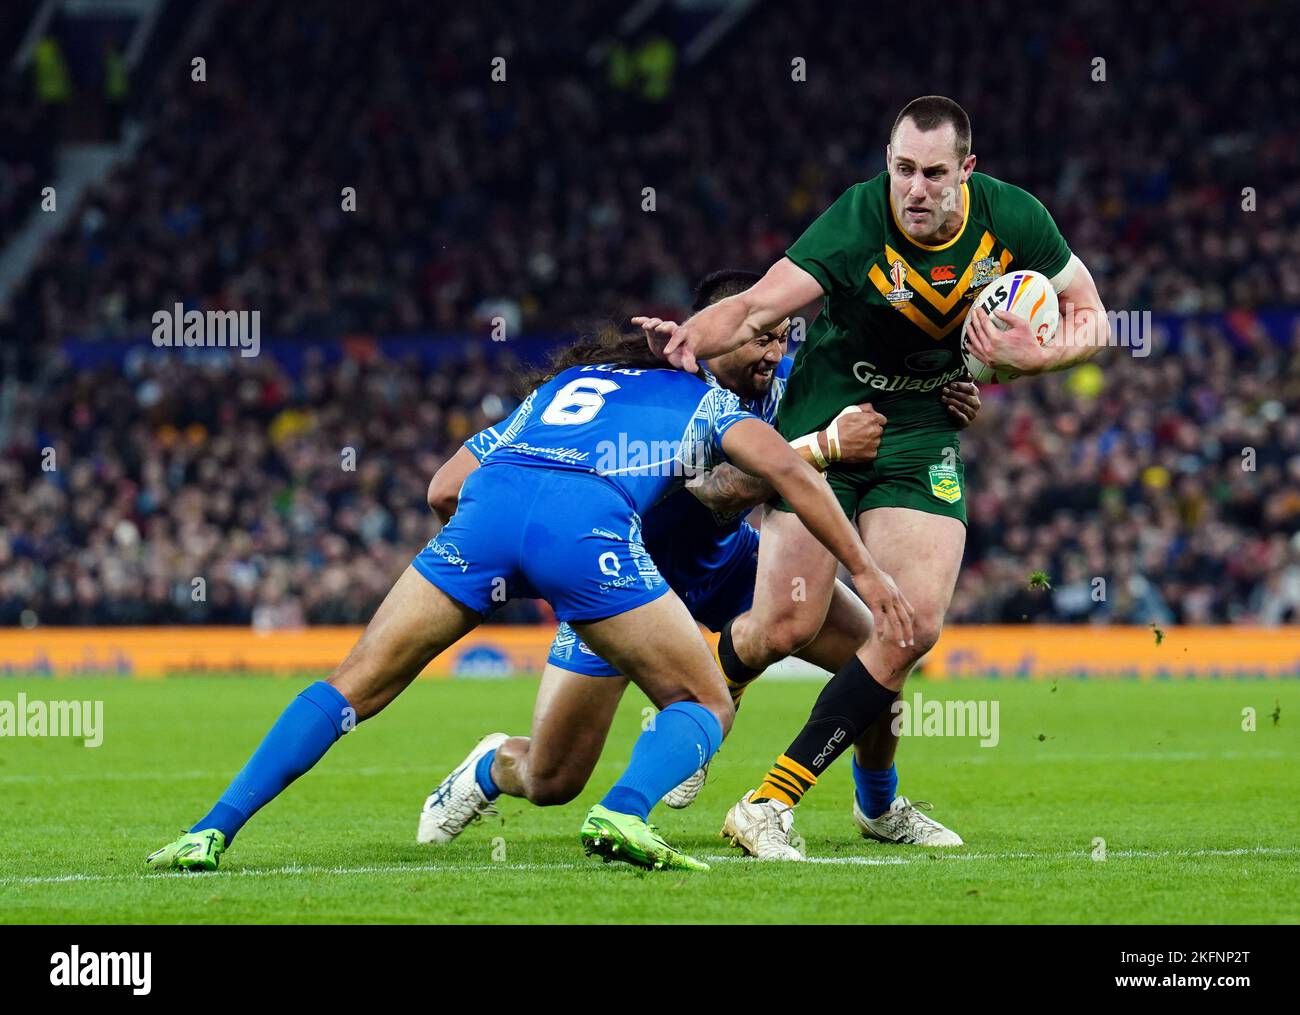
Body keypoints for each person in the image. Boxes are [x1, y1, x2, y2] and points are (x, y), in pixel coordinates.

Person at [146, 328, 909, 874]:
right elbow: (789, 478)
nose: (771, 350)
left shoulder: (558, 391)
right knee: (705, 700)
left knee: (355, 682)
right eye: (759, 336)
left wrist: (494, 567)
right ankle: (624, 810)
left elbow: (442, 486)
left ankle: (208, 830)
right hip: (596, 542)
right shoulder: (708, 404)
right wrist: (871, 572)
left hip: (494, 507)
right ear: (699, 349)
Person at [638, 95, 1109, 857]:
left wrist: (1041, 356)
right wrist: (690, 337)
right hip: (826, 413)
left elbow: (1094, 315)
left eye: (932, 173)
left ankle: (776, 801)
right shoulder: (857, 220)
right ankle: (705, 693)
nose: (914, 190)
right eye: (901, 170)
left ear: (967, 171)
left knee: (909, 627)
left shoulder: (1015, 219)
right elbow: (758, 305)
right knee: (784, 626)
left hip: (920, 430)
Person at [417, 271, 980, 852]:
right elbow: (713, 491)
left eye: (783, 337)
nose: (774, 351)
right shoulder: (668, 387)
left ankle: (880, 804)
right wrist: (822, 447)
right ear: (718, 331)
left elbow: (873, 400)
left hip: (728, 562)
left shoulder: (791, 381)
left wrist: (940, 401)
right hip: (623, 582)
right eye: (761, 337)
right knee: (552, 779)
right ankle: (489, 767)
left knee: (881, 651)